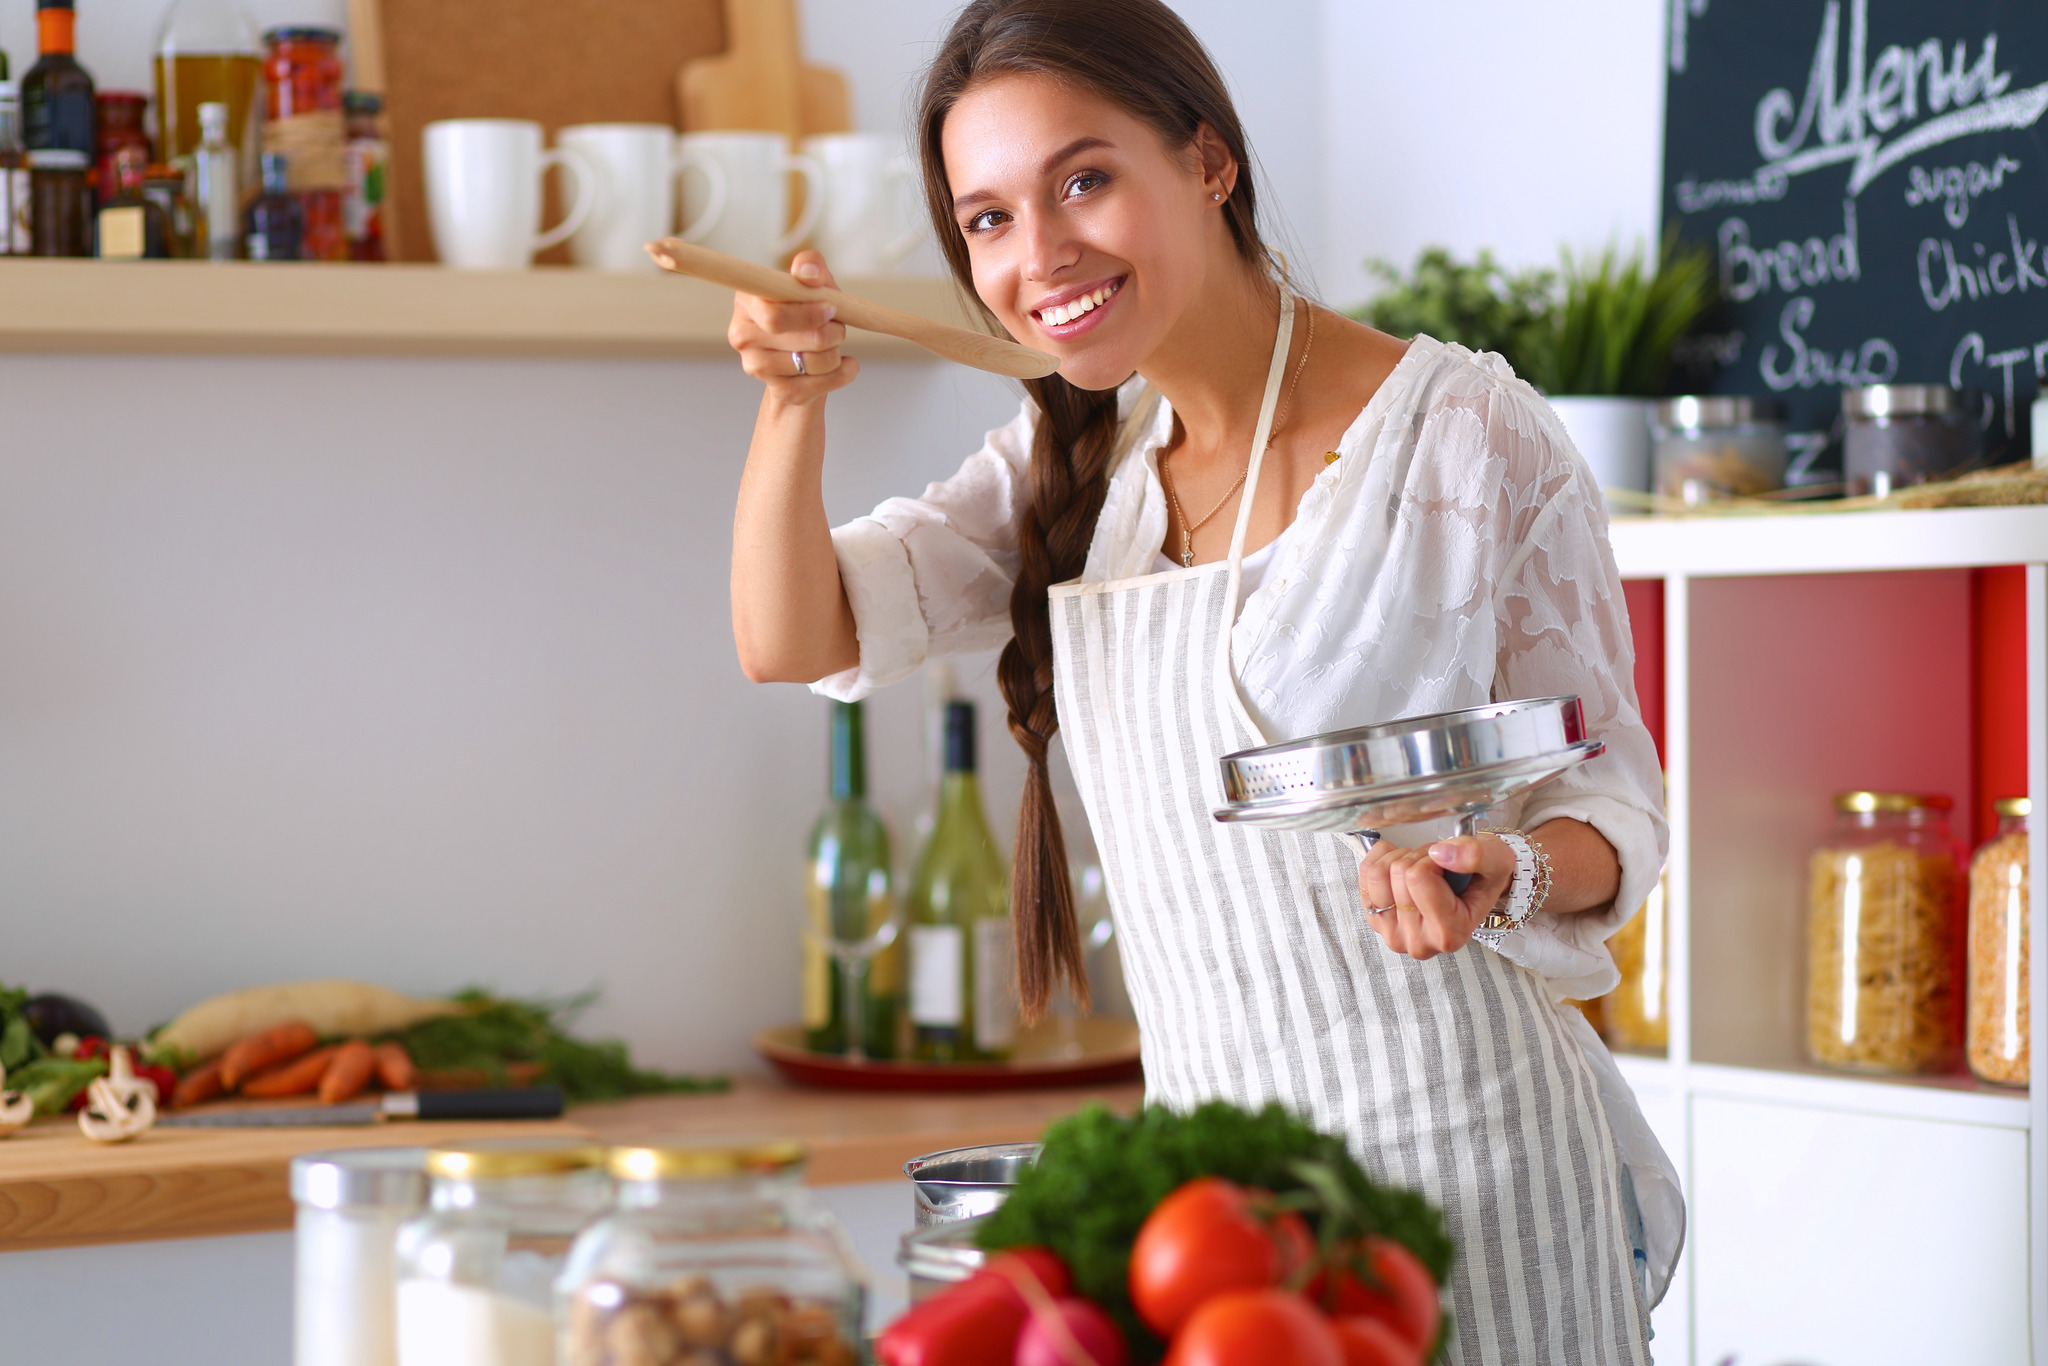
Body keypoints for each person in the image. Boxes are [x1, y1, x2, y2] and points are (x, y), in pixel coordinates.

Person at [724, 0, 1678, 1357]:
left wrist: (1505, 872)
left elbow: (1616, 804)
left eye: (1085, 179)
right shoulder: (1068, 459)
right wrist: (791, 399)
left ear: (1209, 159)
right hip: (1225, 1226)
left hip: (1484, 1178)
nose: (1040, 253)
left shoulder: (1466, 433)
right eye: (987, 218)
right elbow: (791, 633)